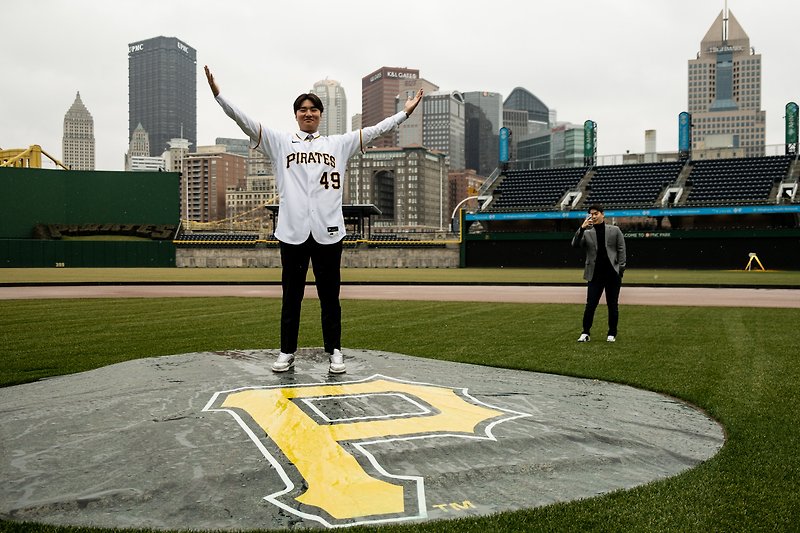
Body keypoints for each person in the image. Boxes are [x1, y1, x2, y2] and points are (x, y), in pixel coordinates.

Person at [204, 66, 423, 374]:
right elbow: (244, 121)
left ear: (320, 114)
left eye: (313, 109)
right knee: (291, 298)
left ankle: (335, 351)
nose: (308, 113)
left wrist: (405, 113)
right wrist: (219, 96)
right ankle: (286, 352)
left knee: (330, 298)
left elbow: (376, 130)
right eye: (303, 110)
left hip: (328, 232)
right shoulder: (280, 142)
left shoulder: (338, 144)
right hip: (292, 232)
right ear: (296, 115)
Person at [570, 204, 626, 342]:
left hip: (612, 274)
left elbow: (621, 249)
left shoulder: (615, 230)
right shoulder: (587, 232)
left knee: (612, 305)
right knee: (590, 305)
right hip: (595, 275)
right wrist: (582, 228)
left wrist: (620, 269)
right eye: (591, 214)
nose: (593, 216)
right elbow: (575, 244)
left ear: (602, 214)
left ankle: (612, 333)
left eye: (596, 213)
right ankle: (585, 333)